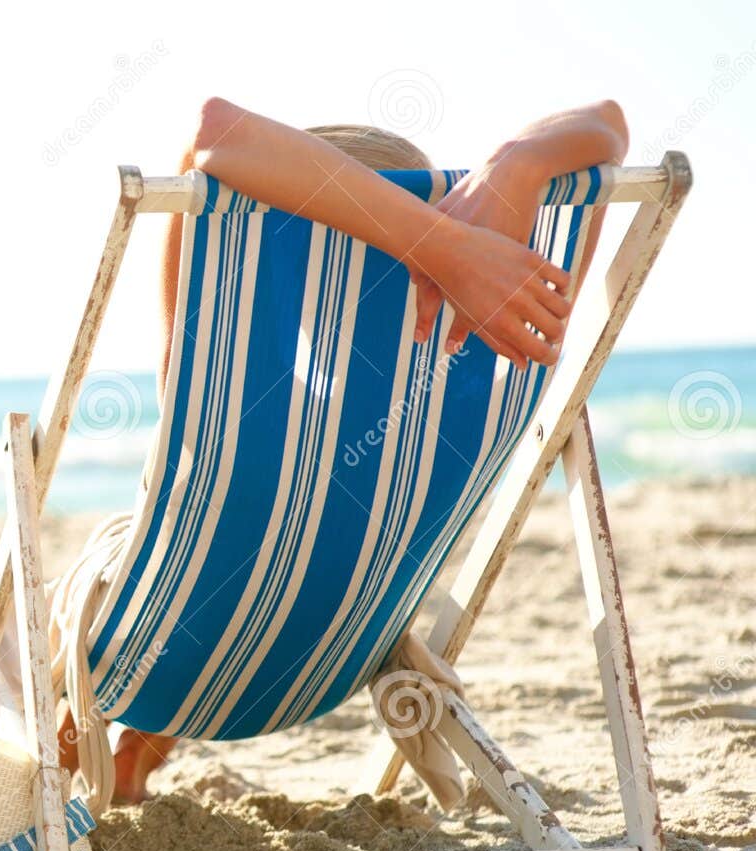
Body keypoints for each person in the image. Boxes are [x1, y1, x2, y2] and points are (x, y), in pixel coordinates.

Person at [61, 99, 632, 804]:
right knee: (245, 560)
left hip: (151, 674)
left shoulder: (228, 385)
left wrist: (434, 243)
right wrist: (512, 170)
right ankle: (131, 754)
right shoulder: (494, 364)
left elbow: (214, 134)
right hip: (323, 668)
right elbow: (607, 125)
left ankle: (91, 740)